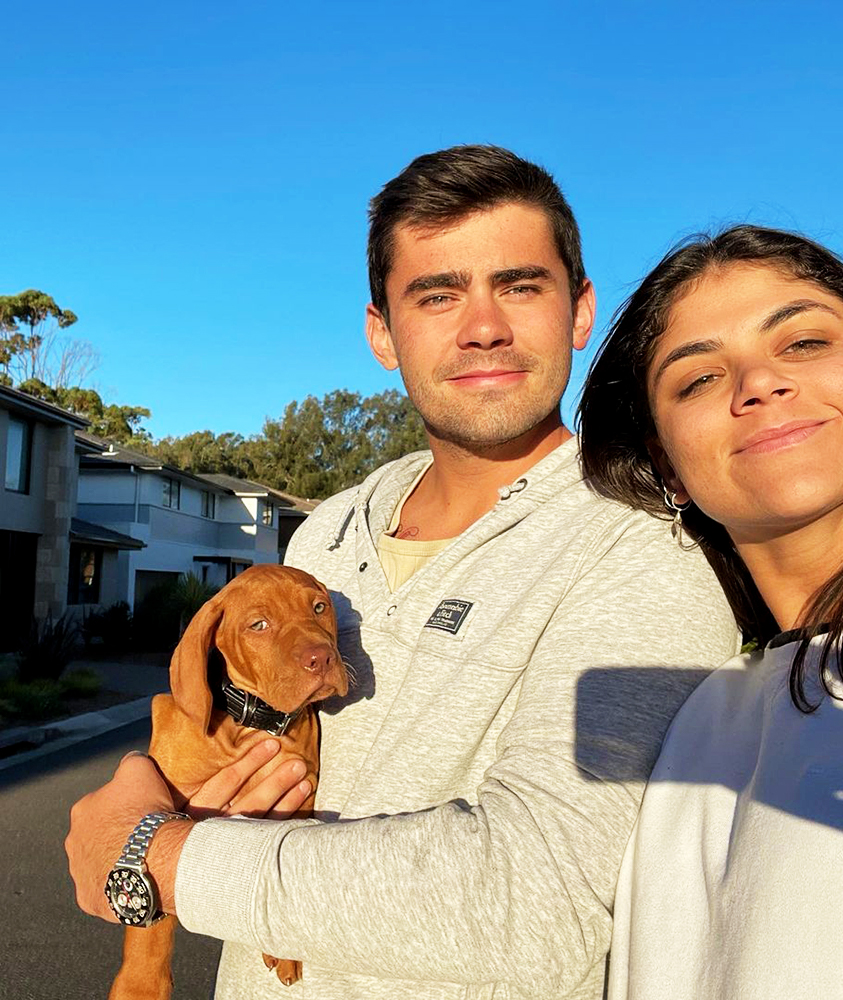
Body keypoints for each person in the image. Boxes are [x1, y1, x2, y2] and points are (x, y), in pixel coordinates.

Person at [66, 145, 739, 1000]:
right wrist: (163, 779)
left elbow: (539, 901)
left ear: (579, 311)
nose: (484, 326)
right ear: (382, 332)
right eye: (438, 294)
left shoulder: (644, 546)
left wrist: (155, 856)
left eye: (520, 286)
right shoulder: (328, 529)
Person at [578, 224, 843, 999]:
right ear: (667, 465)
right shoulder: (694, 720)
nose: (759, 383)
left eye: (803, 342)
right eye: (698, 379)